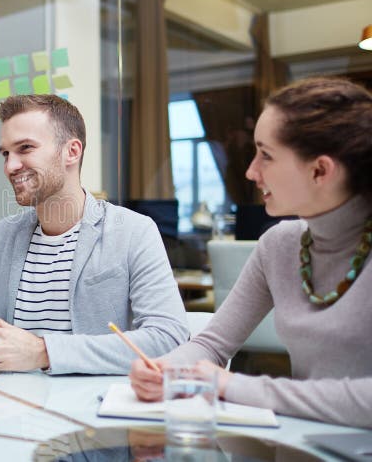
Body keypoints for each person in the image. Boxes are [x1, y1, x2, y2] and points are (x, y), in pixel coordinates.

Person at [129, 77, 372, 428]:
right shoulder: (280, 245)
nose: (250, 171)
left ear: (320, 170)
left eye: (266, 155)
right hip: (305, 444)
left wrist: (232, 385)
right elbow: (212, 344)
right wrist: (165, 368)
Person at [0, 95, 188, 374]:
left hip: (90, 407)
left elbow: (169, 338)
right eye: (6, 153)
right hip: (6, 402)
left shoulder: (133, 231)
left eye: (25, 148)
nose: (10, 166)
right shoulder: (5, 235)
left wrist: (44, 352)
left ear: (72, 151)